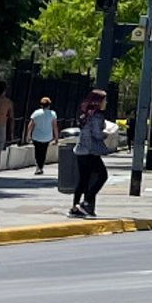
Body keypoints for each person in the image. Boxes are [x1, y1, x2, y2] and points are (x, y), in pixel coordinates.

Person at [69, 89, 110, 218]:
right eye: (104, 100)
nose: (106, 103)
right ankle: (85, 203)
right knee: (103, 175)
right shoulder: (97, 116)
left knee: (83, 180)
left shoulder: (84, 114)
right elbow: (97, 134)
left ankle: (75, 207)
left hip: (81, 150)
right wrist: (106, 133)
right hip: (91, 151)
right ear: (99, 102)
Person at [28, 97, 58, 175]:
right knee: (43, 152)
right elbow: (55, 126)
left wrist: (28, 136)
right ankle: (40, 167)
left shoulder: (36, 113)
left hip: (36, 136)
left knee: (37, 151)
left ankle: (38, 167)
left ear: (41, 105)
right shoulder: (53, 114)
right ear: (49, 105)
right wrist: (56, 138)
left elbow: (30, 125)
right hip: (47, 137)